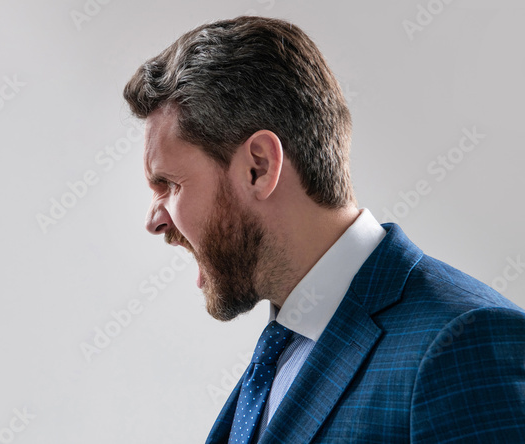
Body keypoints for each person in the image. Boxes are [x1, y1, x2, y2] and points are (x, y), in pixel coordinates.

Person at [123, 15, 525, 443]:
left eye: (169, 184)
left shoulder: (465, 345)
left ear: (258, 167)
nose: (155, 220)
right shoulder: (284, 348)